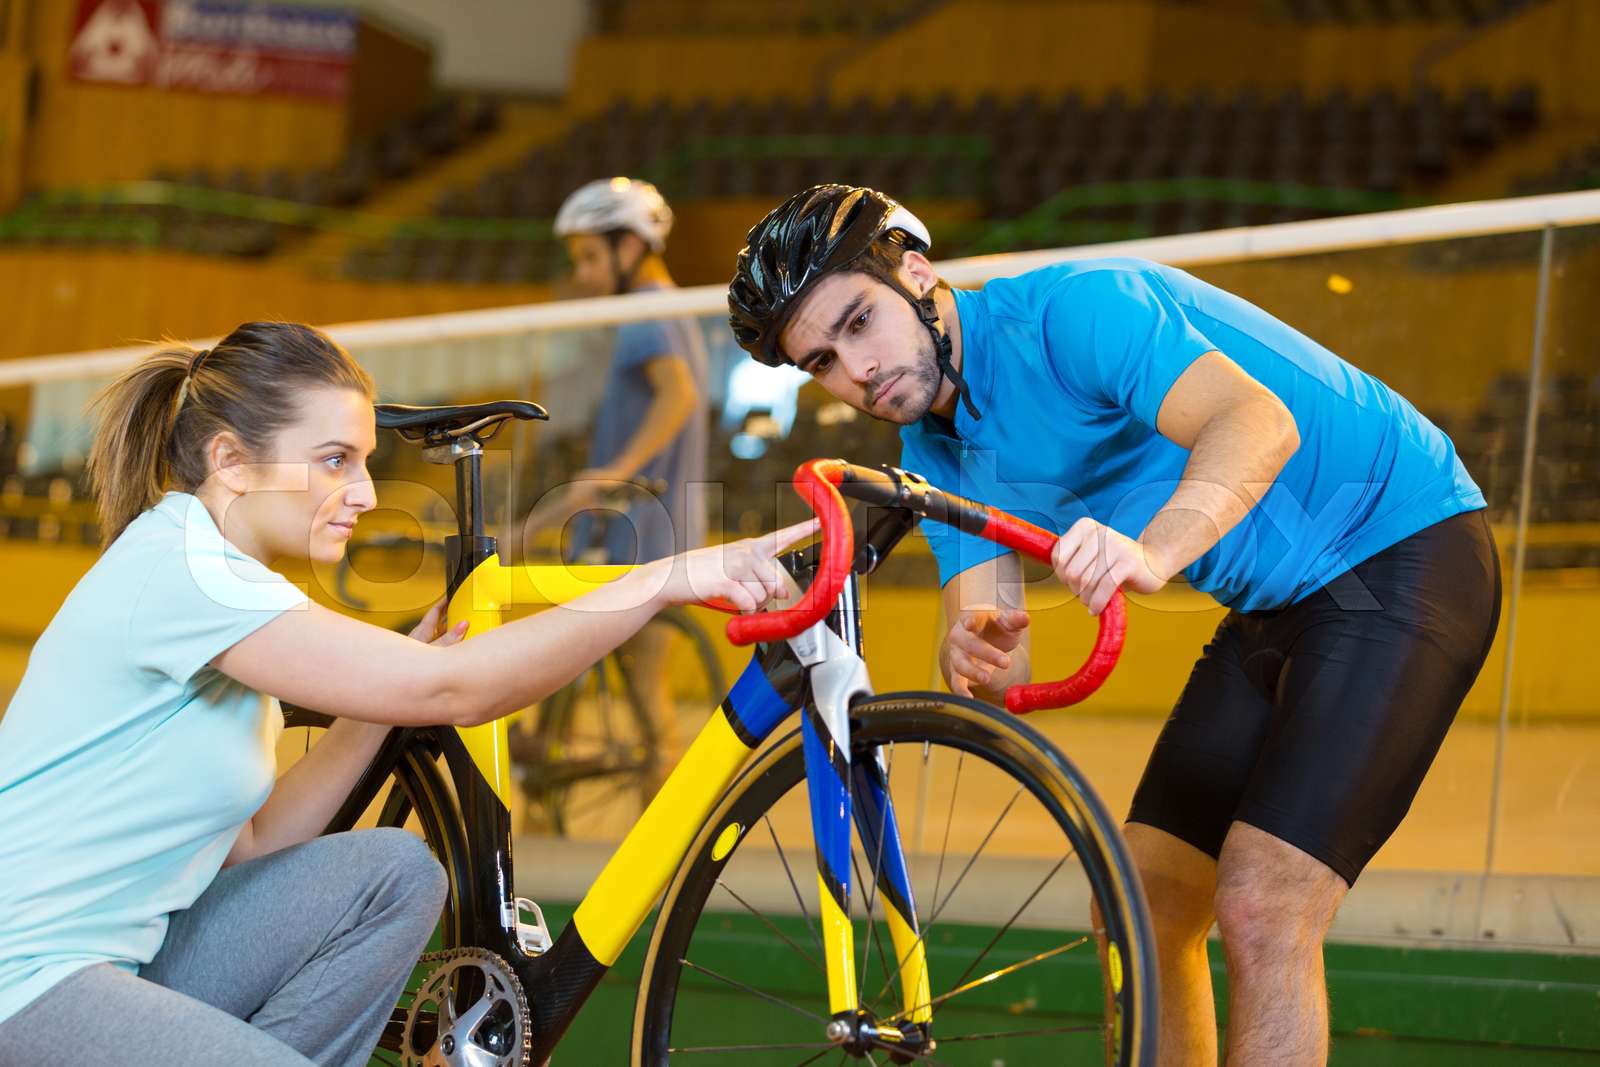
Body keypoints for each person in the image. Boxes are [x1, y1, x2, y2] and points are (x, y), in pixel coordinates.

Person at [727, 186, 1500, 1067]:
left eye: (859, 322)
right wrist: (973, 652)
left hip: (1406, 545)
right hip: (1281, 604)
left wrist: (1154, 549)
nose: (855, 370)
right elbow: (993, 641)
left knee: (1264, 903)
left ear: (917, 273)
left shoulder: (1075, 312)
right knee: (1142, 902)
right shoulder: (934, 453)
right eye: (823, 360)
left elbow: (1257, 422)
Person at [0, 321, 809, 1067]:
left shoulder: (236, 592)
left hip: (127, 959)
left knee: (396, 873)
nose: (362, 490)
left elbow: (251, 847)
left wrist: (378, 709)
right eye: (332, 459)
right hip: (29, 978)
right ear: (231, 461)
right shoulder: (184, 568)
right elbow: (455, 688)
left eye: (363, 461)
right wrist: (668, 576)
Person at [523, 177, 709, 777]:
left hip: (638, 525)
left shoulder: (644, 312)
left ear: (630, 248)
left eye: (589, 256)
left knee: (581, 657)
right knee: (644, 690)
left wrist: (612, 471)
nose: (581, 273)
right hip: (665, 521)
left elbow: (677, 396)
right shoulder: (670, 307)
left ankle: (659, 851)